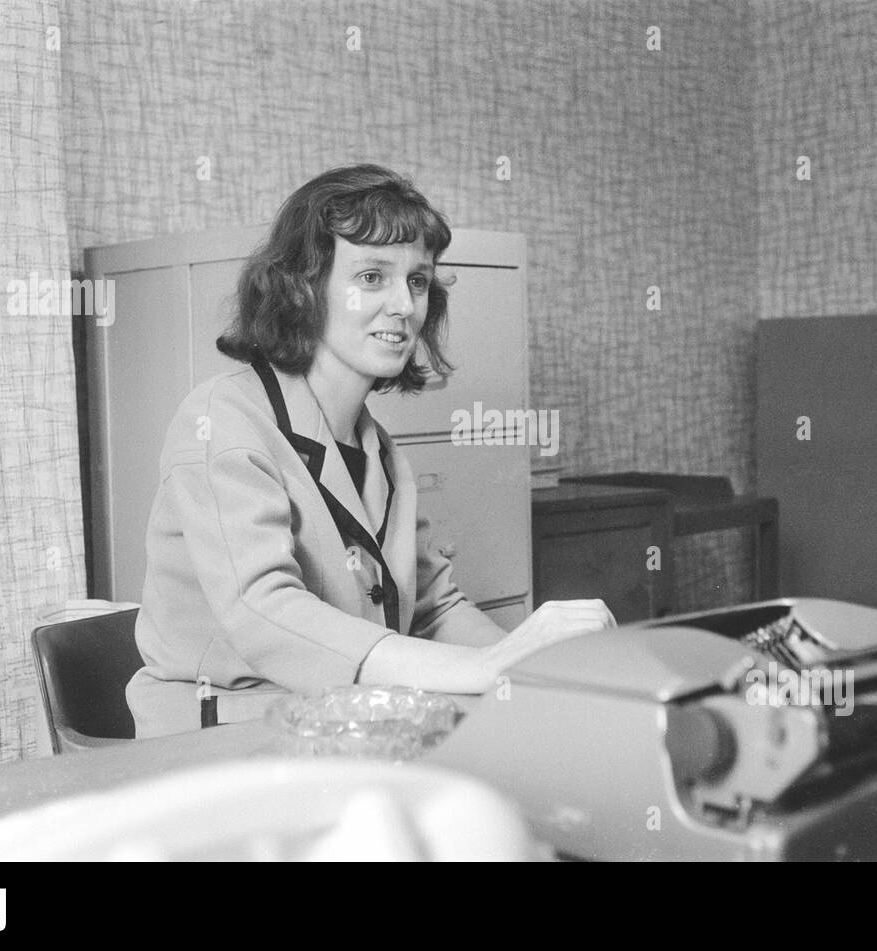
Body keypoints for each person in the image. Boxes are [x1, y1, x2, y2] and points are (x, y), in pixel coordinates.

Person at [126, 164, 615, 737]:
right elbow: (264, 612)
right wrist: (483, 668)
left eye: (417, 281)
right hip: (218, 739)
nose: (405, 306)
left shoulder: (380, 452)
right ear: (303, 287)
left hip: (341, 722)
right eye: (372, 276)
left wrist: (529, 669)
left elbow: (434, 608)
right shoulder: (220, 420)